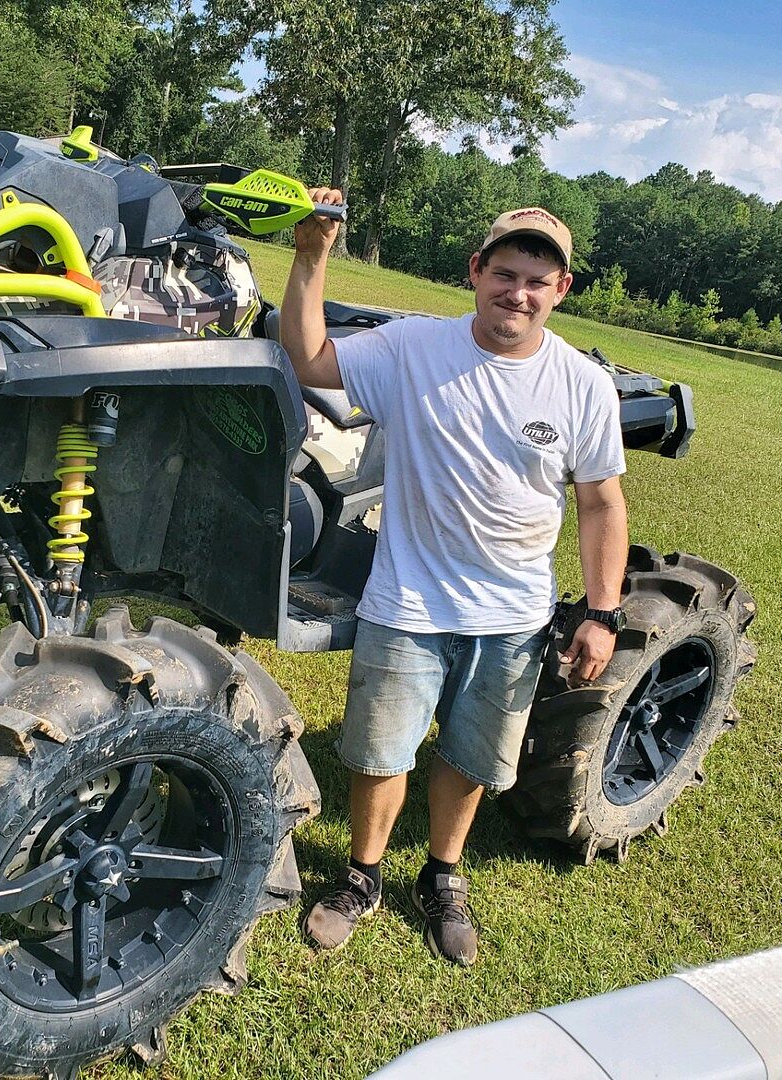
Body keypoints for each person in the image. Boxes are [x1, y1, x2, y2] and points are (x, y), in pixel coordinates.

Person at [278, 199, 630, 966]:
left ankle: (442, 877)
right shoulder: (413, 348)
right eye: (504, 273)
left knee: (470, 761)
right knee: (379, 757)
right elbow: (308, 359)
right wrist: (310, 256)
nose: (519, 293)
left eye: (537, 280)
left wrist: (602, 613)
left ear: (562, 288)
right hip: (407, 600)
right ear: (475, 272)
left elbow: (601, 502)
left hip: (512, 615)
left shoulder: (582, 385)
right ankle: (363, 878)